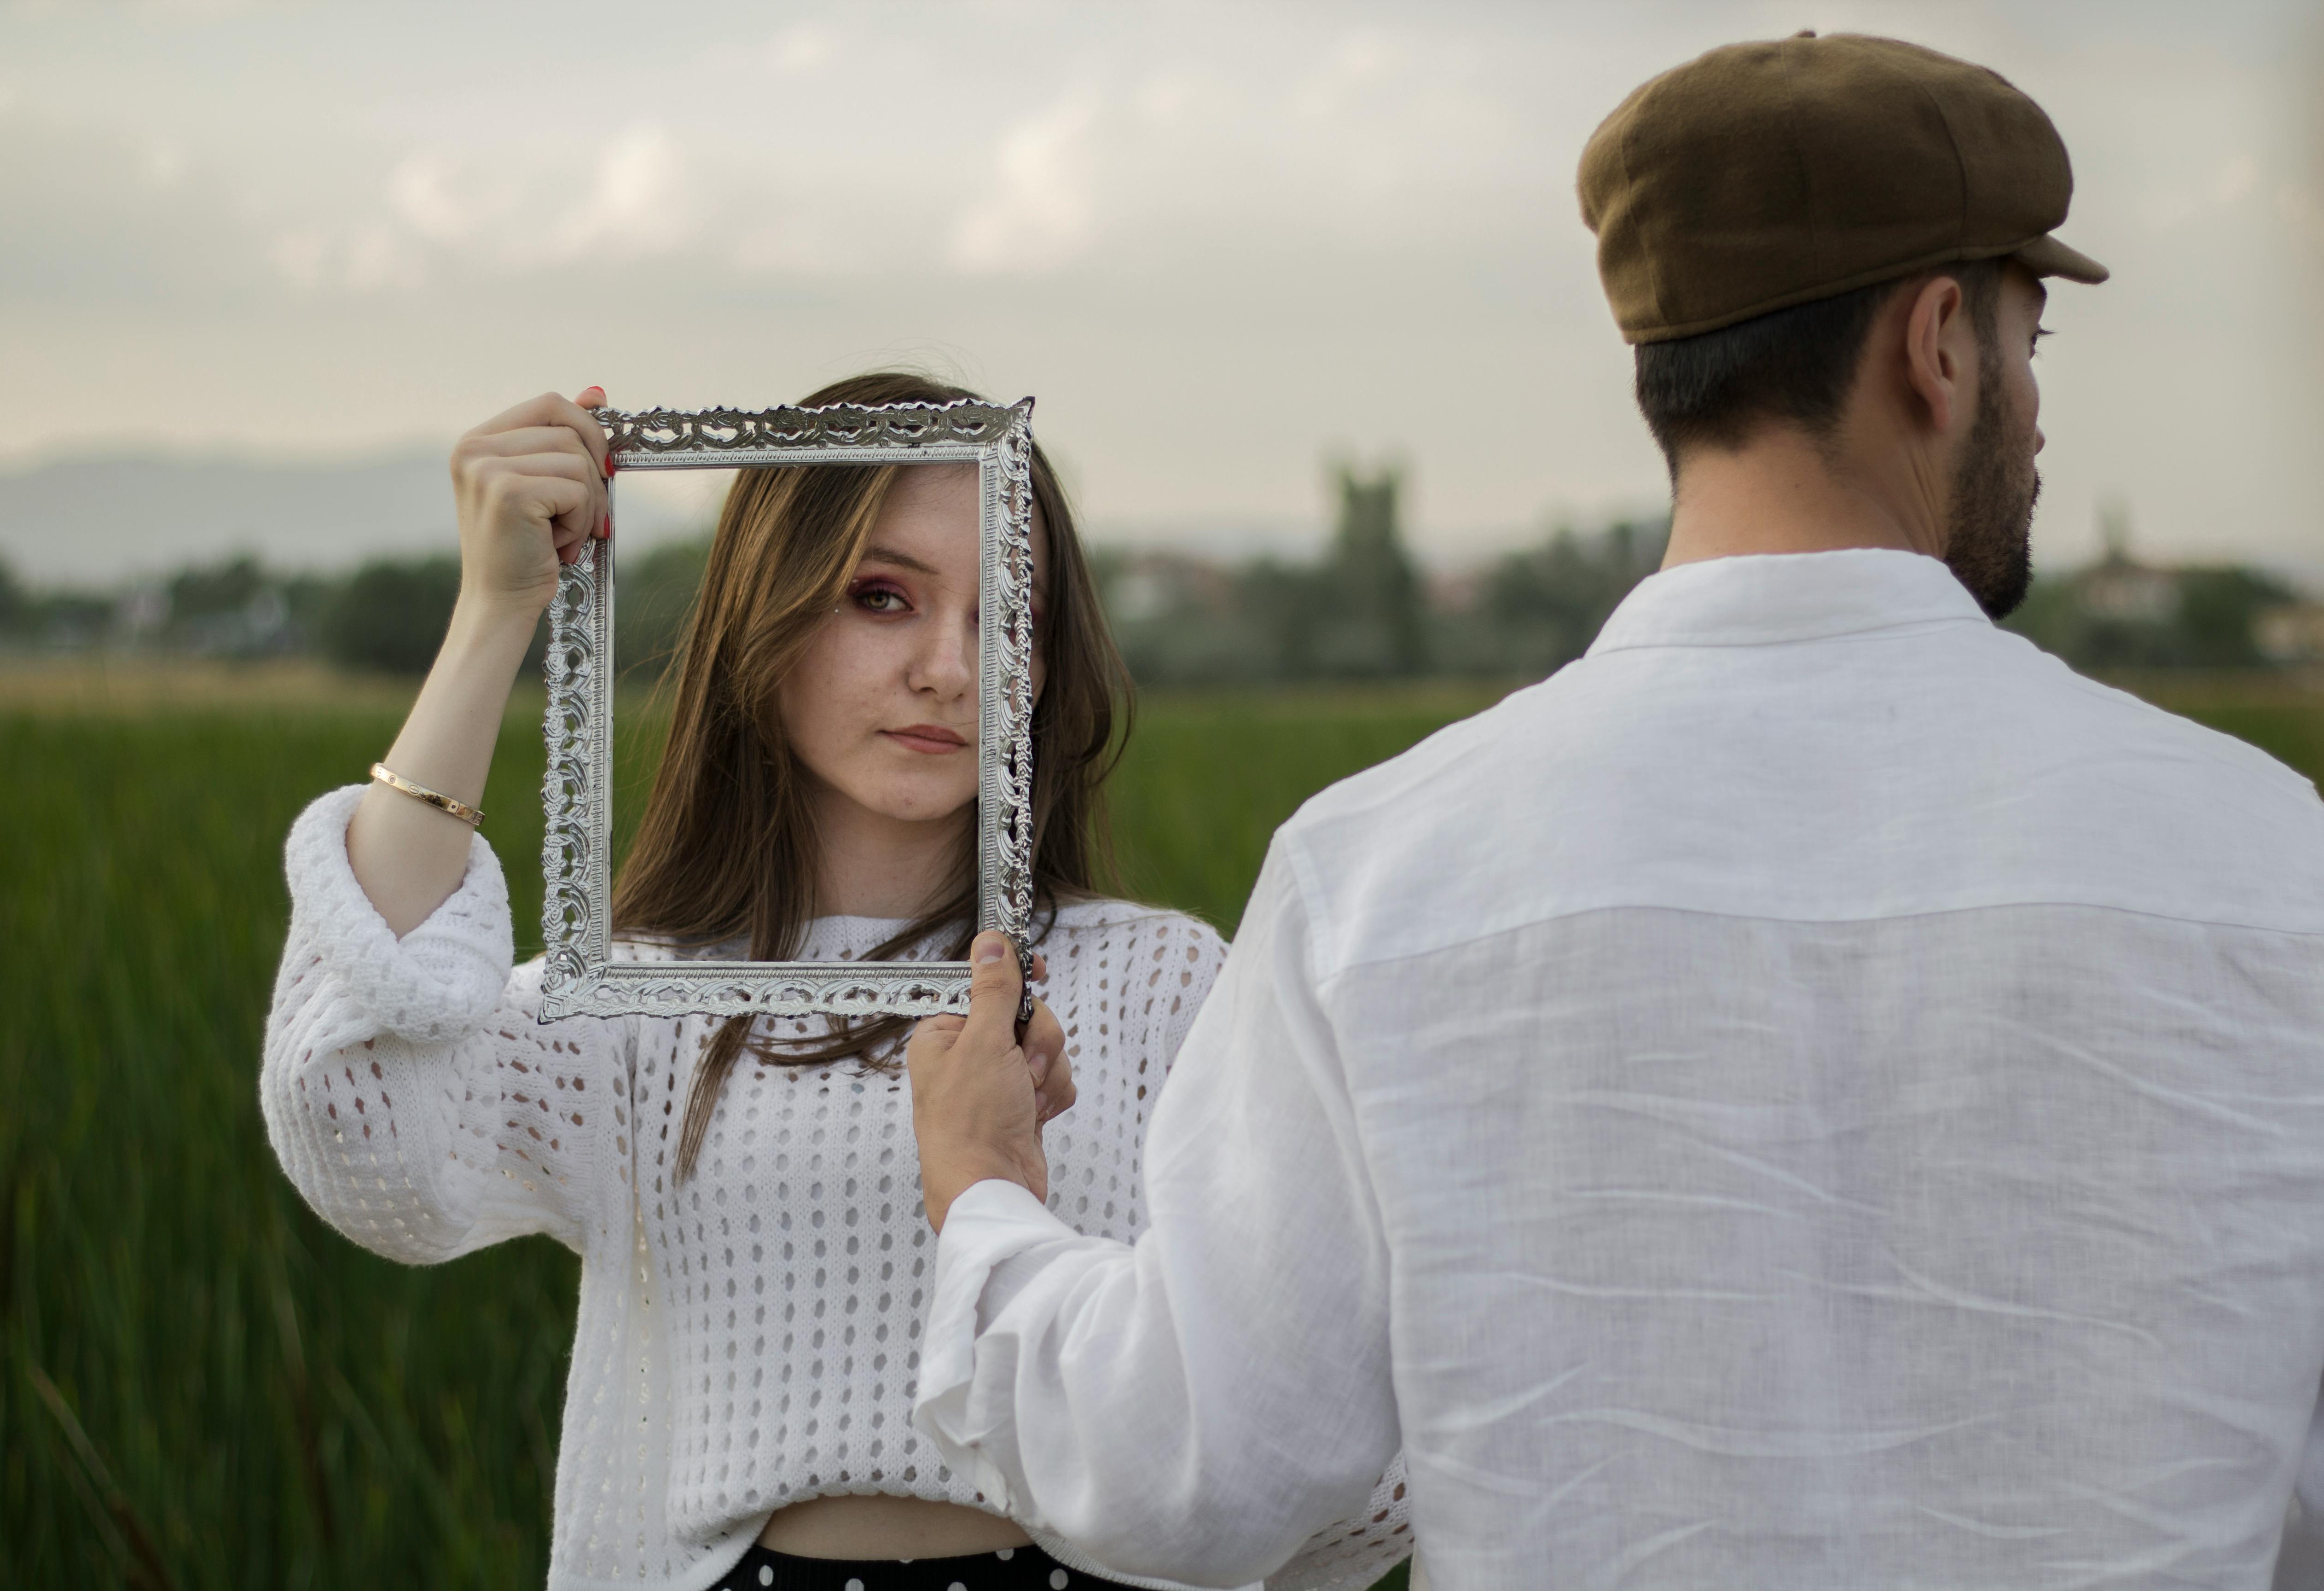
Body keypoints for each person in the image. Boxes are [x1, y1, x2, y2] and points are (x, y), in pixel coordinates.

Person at [905, 34, 2324, 1591]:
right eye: (2027, 340)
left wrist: (986, 1196)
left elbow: (1176, 1477)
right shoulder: (2269, 860)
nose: (2036, 413)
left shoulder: (1381, 877)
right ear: (1937, 344)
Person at [259, 370, 1411, 1591]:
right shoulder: (640, 1007)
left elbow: (1336, 1415)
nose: (946, 669)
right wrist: (495, 613)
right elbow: (364, 1137)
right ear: (770, 612)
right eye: (882, 597)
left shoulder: (1161, 985)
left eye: (1002, 616)